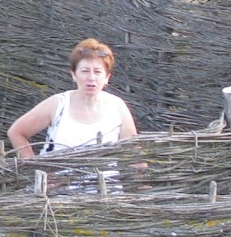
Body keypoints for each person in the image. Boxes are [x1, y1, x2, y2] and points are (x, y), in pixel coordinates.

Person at [8, 38, 138, 159]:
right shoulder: (58, 104)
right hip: (61, 183)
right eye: (85, 71)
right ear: (74, 75)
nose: (91, 78)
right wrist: (34, 170)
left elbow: (135, 155)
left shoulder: (117, 107)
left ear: (107, 77)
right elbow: (16, 132)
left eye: (97, 72)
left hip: (105, 183)